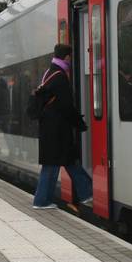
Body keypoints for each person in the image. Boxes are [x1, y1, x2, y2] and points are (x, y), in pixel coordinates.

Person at [32, 43, 93, 210]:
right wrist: (79, 123)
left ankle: (87, 193)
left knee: (68, 161)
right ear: (67, 57)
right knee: (53, 164)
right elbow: (66, 105)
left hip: (51, 127)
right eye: (71, 57)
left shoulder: (49, 73)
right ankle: (41, 201)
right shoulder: (60, 76)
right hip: (56, 129)